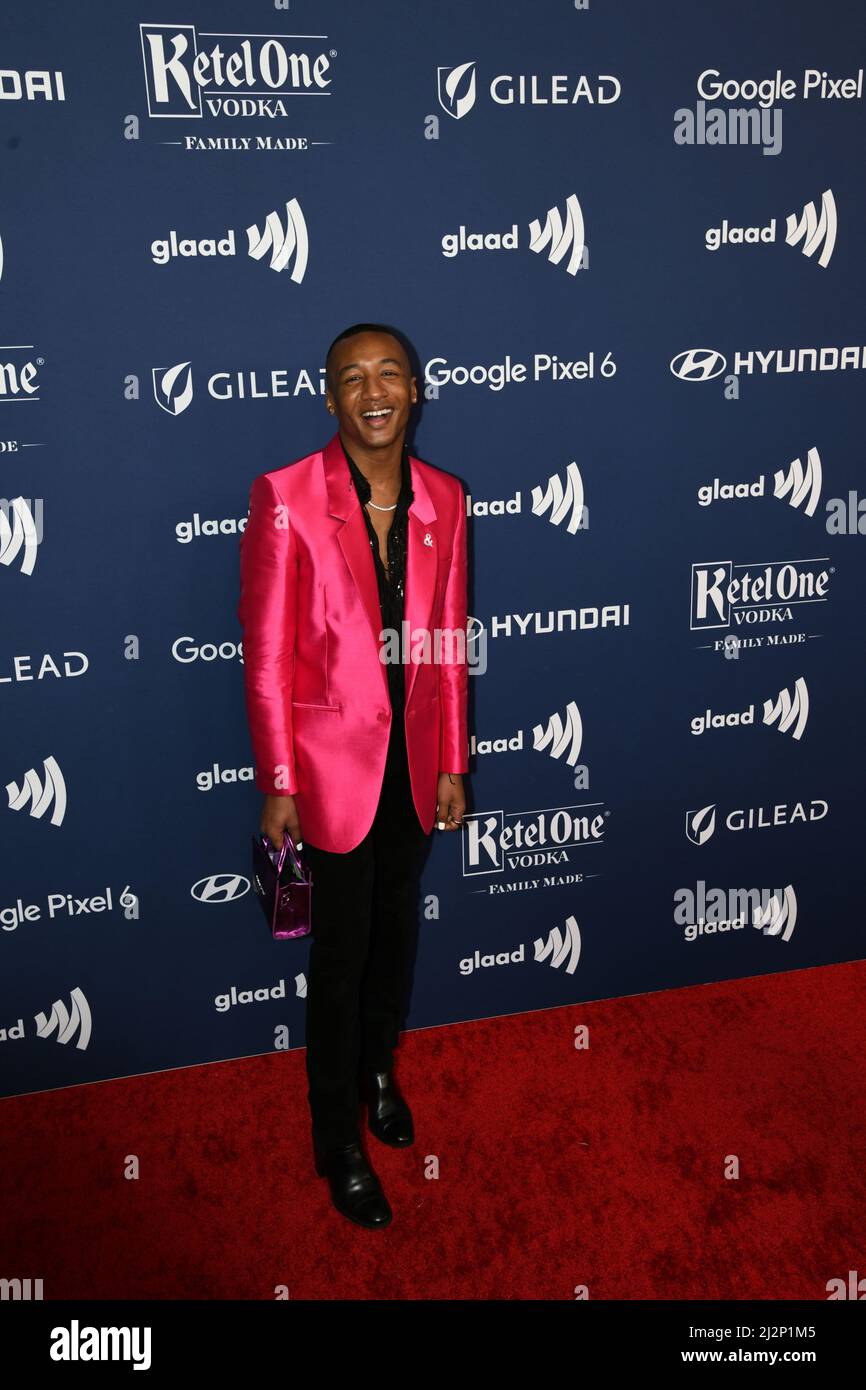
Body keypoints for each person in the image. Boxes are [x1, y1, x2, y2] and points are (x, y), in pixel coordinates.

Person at [237, 323, 469, 1229]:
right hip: (328, 775)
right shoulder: (287, 497)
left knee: (396, 933)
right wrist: (280, 779)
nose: (371, 392)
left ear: (416, 389)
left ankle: (379, 1070)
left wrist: (453, 760)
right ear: (328, 398)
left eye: (388, 374)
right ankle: (335, 1138)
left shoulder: (445, 499)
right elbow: (264, 657)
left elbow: (448, 646)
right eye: (350, 378)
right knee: (337, 959)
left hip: (414, 769)